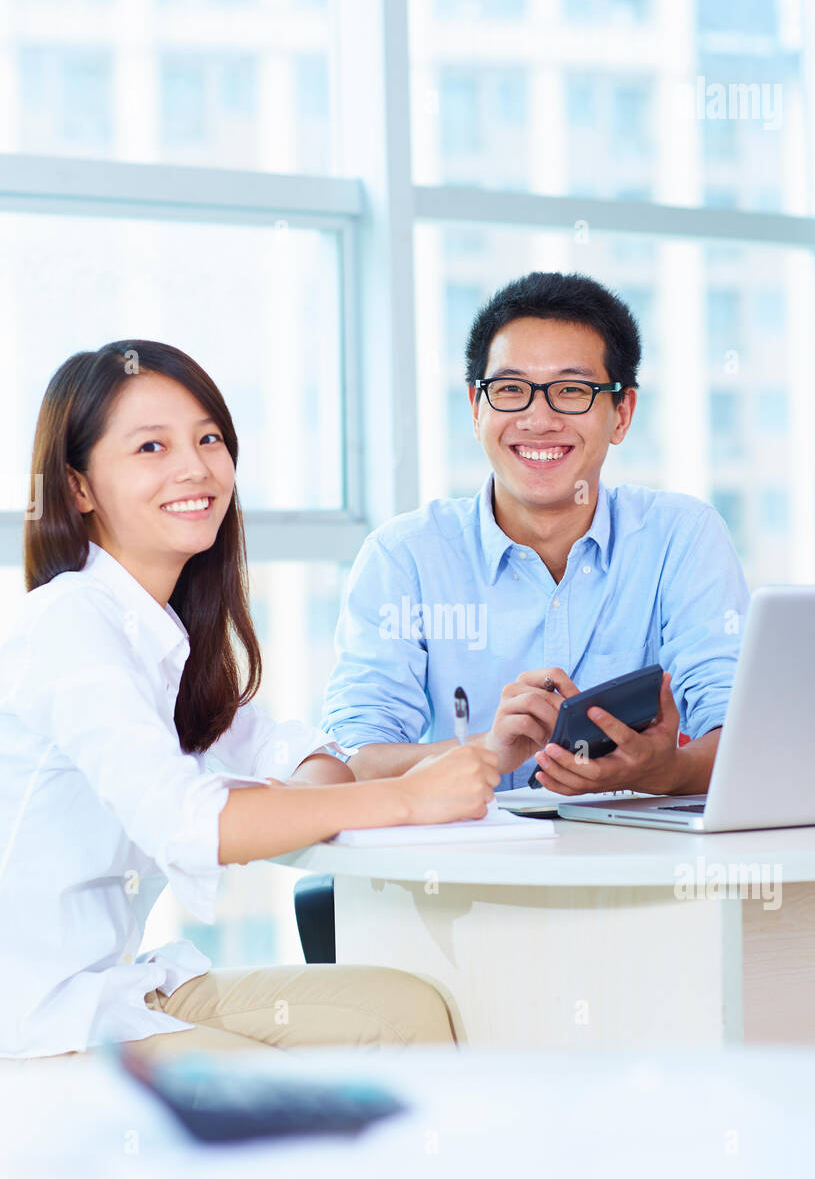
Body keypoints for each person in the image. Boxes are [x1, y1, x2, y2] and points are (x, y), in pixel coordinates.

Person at [0, 340, 499, 1061]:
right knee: (282, 1097)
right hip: (32, 1021)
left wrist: (286, 797)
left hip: (110, 990)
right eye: (150, 446)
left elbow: (307, 755)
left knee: (406, 1011)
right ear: (78, 488)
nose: (195, 467)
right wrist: (409, 798)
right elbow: (194, 827)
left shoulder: (164, 636)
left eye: (209, 438)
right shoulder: (70, 622)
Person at [323, 270, 750, 795]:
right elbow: (354, 761)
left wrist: (668, 771)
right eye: (510, 390)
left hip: (636, 863)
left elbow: (740, 735)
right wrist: (487, 750)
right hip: (466, 869)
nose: (537, 417)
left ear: (622, 413)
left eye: (571, 390)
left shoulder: (681, 537)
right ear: (477, 408)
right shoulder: (404, 556)